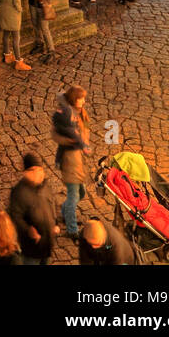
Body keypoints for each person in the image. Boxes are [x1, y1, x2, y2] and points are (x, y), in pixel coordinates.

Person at [52, 85, 90, 239]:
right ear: (74, 99)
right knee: (74, 196)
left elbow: (84, 131)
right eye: (81, 99)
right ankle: (72, 230)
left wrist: (84, 145)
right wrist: (69, 141)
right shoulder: (66, 115)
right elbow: (54, 134)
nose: (83, 101)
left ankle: (65, 212)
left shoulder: (81, 114)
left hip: (79, 159)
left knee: (81, 193)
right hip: (70, 160)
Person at [7, 152, 58, 265]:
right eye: (33, 170)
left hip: (47, 246)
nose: (37, 173)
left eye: (39, 170)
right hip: (31, 250)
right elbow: (15, 217)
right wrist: (28, 230)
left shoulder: (46, 186)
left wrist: (56, 223)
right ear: (26, 173)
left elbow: (53, 204)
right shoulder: (19, 192)